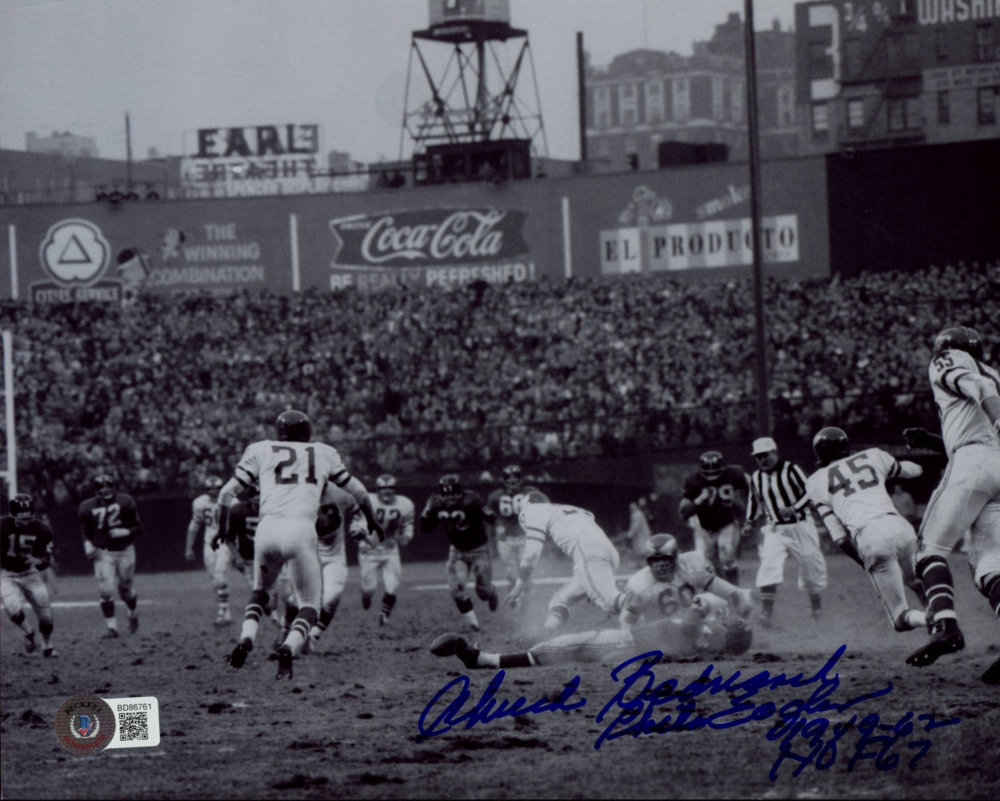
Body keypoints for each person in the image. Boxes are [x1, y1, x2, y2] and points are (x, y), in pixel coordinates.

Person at [220, 410, 383, 680]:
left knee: (260, 591)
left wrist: (222, 528)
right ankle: (289, 647)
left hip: (267, 528)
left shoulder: (261, 449)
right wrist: (372, 520)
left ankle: (247, 637)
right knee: (310, 604)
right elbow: (360, 491)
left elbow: (227, 493)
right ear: (308, 433)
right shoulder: (323, 452)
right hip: (300, 530)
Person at [901, 326, 1000, 684]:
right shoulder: (995, 371)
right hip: (995, 466)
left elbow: (982, 393)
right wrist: (930, 439)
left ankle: (946, 625)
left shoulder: (950, 360)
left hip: (974, 461)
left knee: (928, 549)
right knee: (990, 565)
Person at [430, 590, 754, 670]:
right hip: (635, 645)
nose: (724, 621)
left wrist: (701, 605)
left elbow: (691, 621)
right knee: (561, 648)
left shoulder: (712, 636)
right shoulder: (713, 642)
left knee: (559, 647)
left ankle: (479, 659)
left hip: (631, 643)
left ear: (731, 636)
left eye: (730, 625)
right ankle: (482, 658)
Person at [806, 428, 928, 633]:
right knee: (916, 582)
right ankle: (942, 620)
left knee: (899, 617)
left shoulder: (815, 482)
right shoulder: (873, 455)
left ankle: (931, 620)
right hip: (900, 527)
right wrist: (919, 466)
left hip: (869, 536)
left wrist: (864, 562)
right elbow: (913, 470)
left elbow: (841, 540)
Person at [503, 492, 625, 630]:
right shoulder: (573, 510)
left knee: (609, 602)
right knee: (560, 599)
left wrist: (518, 586)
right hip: (608, 551)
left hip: (588, 550)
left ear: (528, 504)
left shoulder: (533, 509)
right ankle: (545, 634)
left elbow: (531, 554)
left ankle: (647, 617)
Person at [742, 437, 828, 627]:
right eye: (758, 457)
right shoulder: (756, 477)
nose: (762, 460)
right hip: (775, 529)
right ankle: (766, 614)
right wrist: (749, 522)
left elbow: (812, 491)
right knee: (768, 566)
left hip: (801, 525)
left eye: (766, 455)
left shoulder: (791, 469)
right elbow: (754, 502)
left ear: (775, 453)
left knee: (810, 570)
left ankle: (816, 606)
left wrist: (795, 508)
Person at [620, 533, 757, 630]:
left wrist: (735, 616)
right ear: (648, 562)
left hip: (696, 616)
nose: (660, 564)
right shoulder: (639, 585)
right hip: (662, 630)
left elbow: (728, 591)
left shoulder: (692, 565)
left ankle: (733, 622)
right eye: (654, 560)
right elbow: (627, 621)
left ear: (675, 556)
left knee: (742, 598)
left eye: (664, 559)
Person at [421, 474, 498, 632]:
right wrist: (426, 511)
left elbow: (491, 517)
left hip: (479, 550)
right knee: (456, 588)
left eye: (453, 494)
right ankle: (474, 623)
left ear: (460, 492)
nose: (450, 498)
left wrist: (489, 515)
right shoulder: (436, 504)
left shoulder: (471, 500)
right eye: (446, 494)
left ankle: (492, 592)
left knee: (482, 592)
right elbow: (424, 528)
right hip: (458, 551)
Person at [78, 473, 143, 638]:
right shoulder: (87, 506)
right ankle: (112, 627)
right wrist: (88, 543)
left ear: (114, 487)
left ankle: (133, 611)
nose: (105, 490)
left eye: (108, 486)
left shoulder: (125, 501)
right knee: (106, 590)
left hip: (125, 550)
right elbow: (85, 528)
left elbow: (139, 527)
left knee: (125, 589)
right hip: (103, 552)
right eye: (101, 487)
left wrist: (125, 531)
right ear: (96, 490)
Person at [679, 451, 748, 585]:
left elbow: (751, 486)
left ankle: (734, 590)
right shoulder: (694, 481)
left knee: (727, 557)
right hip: (704, 527)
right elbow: (684, 512)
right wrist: (700, 499)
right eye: (707, 469)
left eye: (714, 468)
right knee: (704, 563)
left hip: (726, 523)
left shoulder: (734, 473)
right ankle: (716, 590)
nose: (711, 473)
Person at [1, 494, 58, 657]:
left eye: (28, 518)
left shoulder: (42, 530)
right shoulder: (2, 526)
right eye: (21, 519)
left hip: (30, 574)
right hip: (6, 573)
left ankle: (48, 646)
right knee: (12, 606)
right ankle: (28, 632)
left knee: (46, 616)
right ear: (13, 515)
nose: (25, 522)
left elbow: (46, 560)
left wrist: (38, 561)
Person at [308, 483, 363, 645]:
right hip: (308, 555)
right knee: (294, 601)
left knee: (331, 597)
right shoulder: (297, 491)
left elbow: (362, 511)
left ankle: (313, 636)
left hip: (334, 556)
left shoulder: (341, 493)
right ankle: (284, 630)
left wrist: (359, 526)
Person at [356, 473, 414, 627]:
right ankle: (366, 595)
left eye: (390, 488)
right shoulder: (369, 501)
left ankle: (384, 615)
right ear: (378, 490)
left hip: (390, 548)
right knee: (369, 588)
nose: (387, 491)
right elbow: (357, 522)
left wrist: (407, 536)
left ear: (395, 489)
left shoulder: (405, 504)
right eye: (383, 488)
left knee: (393, 585)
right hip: (369, 549)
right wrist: (360, 533)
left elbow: (408, 523)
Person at [485, 465, 540, 609]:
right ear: (504, 482)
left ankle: (526, 597)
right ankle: (516, 599)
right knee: (511, 572)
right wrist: (497, 526)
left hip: (526, 537)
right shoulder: (496, 496)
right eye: (509, 480)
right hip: (506, 539)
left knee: (526, 571)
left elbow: (543, 512)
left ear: (521, 480)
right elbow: (490, 517)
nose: (512, 483)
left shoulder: (531, 493)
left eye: (515, 479)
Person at [184, 475, 235, 626]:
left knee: (220, 577)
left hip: (226, 543)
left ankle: (222, 612)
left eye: (217, 488)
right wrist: (188, 547)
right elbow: (194, 526)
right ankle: (226, 612)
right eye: (210, 489)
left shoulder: (232, 501)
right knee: (215, 581)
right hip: (209, 544)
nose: (213, 492)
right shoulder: (199, 503)